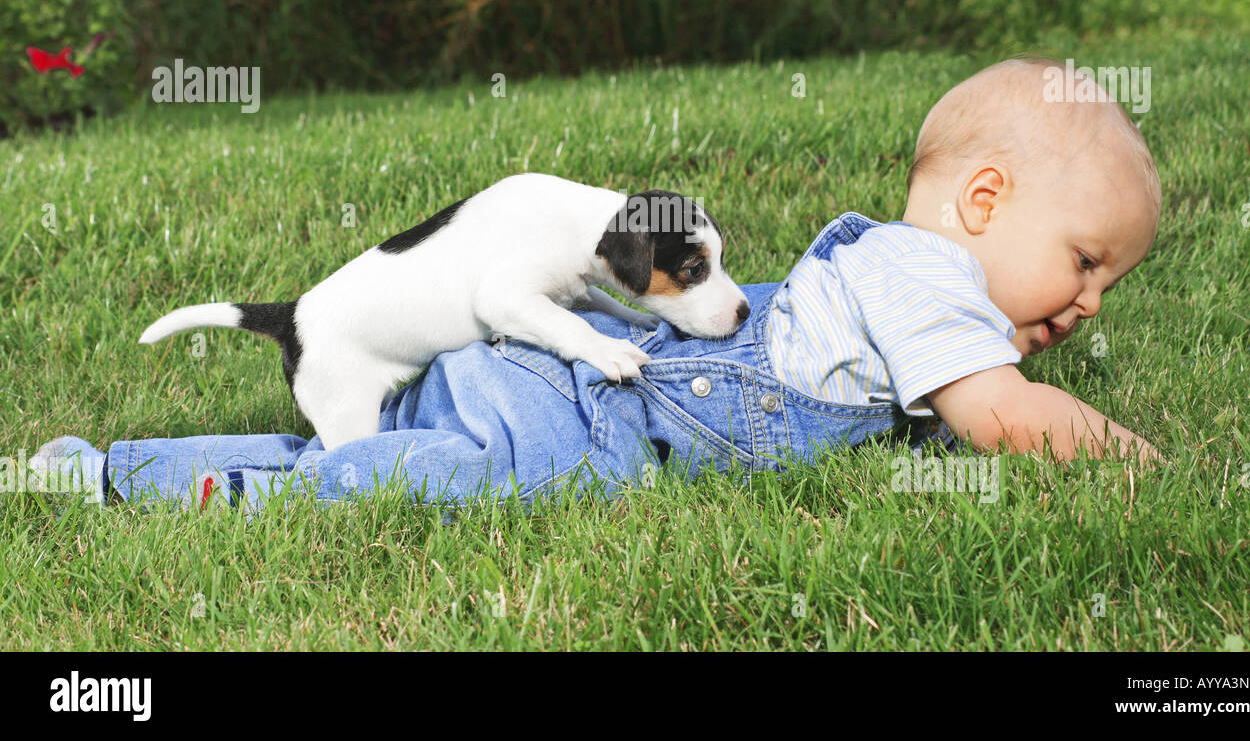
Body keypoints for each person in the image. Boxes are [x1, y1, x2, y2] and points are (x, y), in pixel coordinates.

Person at [29, 58, 1163, 512]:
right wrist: (1135, 455)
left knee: (351, 444)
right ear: (983, 203)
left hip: (538, 358)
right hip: (585, 411)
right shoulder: (933, 284)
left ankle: (105, 473)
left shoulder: (880, 268)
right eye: (1084, 259)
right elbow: (1002, 414)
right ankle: (221, 498)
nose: (1092, 300)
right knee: (415, 477)